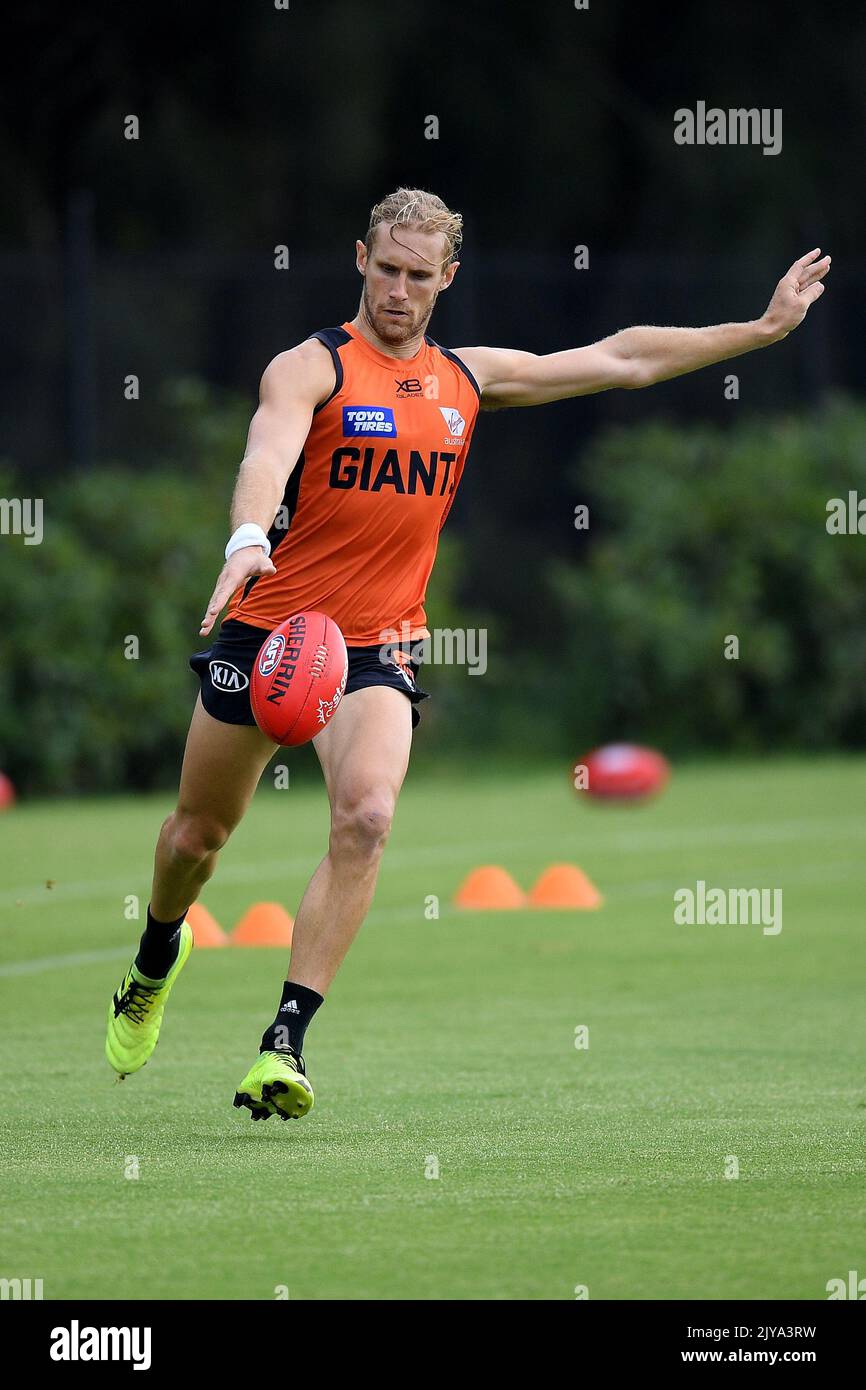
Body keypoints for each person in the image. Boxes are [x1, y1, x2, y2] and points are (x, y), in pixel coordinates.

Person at [105, 187, 831, 1120]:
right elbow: (268, 448)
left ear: (447, 278)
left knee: (366, 817)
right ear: (360, 258)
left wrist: (759, 330)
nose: (399, 290)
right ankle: (156, 955)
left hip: (375, 646)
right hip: (270, 633)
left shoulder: (467, 379)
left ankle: (283, 1042)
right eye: (387, 267)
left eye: (420, 275)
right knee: (194, 840)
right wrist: (247, 536)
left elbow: (621, 359)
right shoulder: (312, 366)